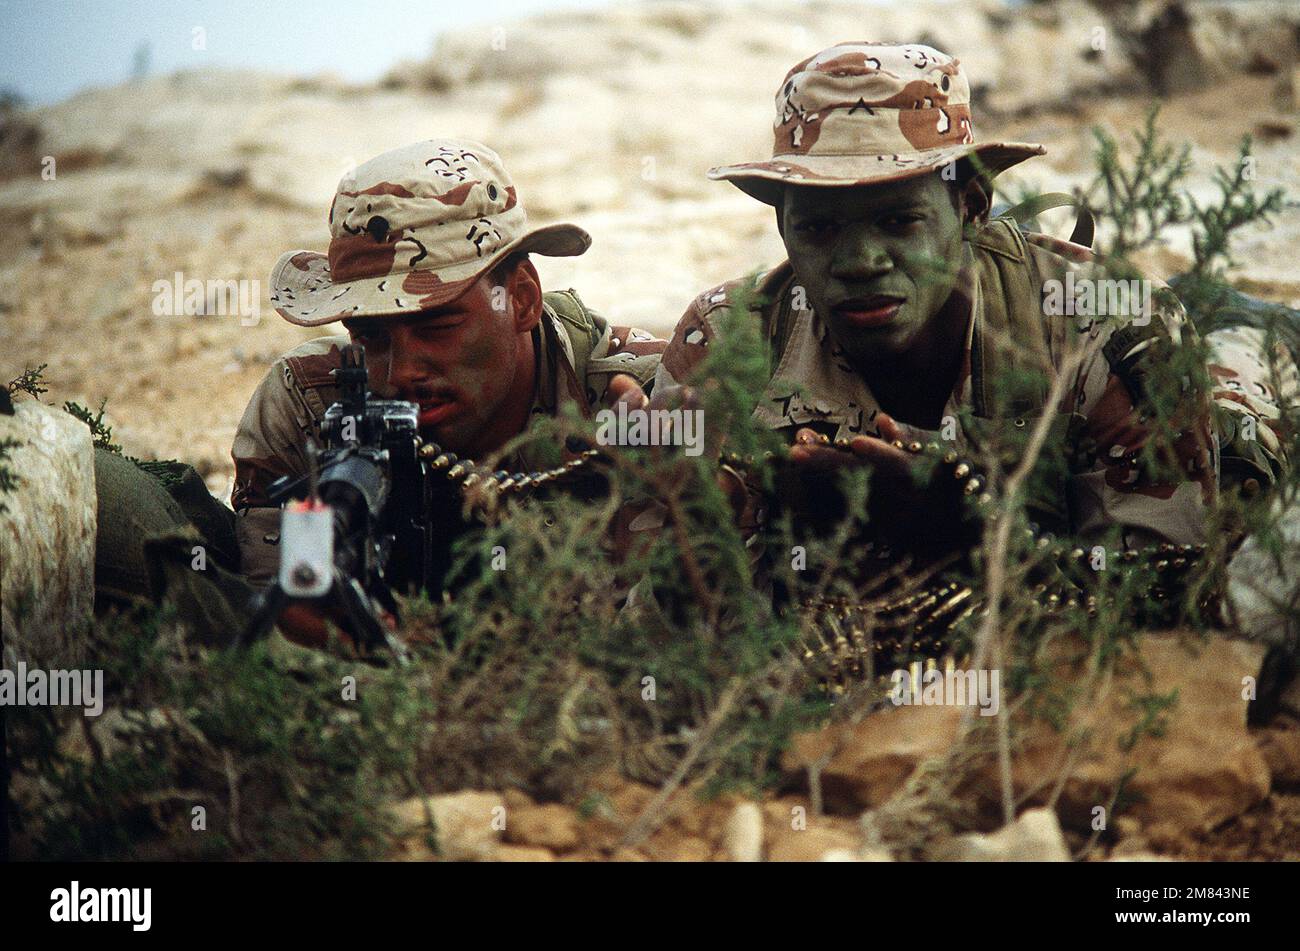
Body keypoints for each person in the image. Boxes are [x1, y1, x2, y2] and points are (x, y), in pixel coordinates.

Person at [231, 139, 666, 645]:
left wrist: (671, 478)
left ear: (521, 300)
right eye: (370, 335)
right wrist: (311, 638)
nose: (399, 374)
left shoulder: (644, 400)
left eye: (436, 326)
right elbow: (259, 620)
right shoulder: (309, 406)